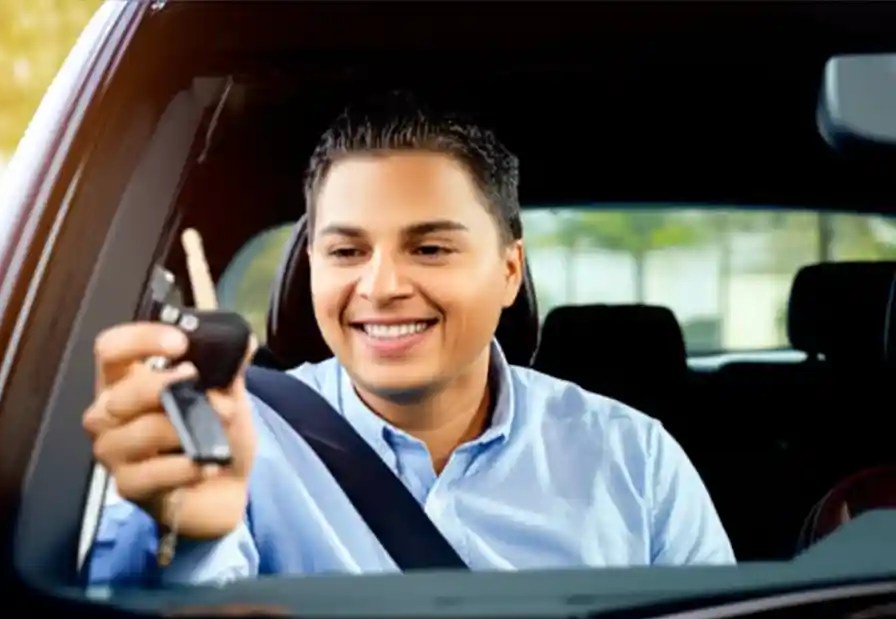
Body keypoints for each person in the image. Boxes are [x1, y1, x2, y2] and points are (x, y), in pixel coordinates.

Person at [82, 95, 735, 586]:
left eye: (429, 247)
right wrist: (185, 538)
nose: (381, 284)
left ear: (510, 270)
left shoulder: (635, 460)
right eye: (346, 250)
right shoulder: (224, 437)